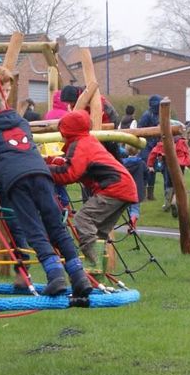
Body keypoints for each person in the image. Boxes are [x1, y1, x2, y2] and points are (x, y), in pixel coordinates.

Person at [0, 93, 89, 297]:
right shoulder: (21, 123)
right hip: (42, 175)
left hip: (17, 181)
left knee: (33, 229)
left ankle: (55, 275)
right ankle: (78, 275)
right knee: (56, 226)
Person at [48, 111, 138, 265]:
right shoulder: (87, 141)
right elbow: (71, 163)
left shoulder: (80, 145)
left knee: (82, 219)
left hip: (113, 188)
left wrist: (45, 169)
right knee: (98, 231)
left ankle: (93, 262)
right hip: (124, 187)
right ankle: (97, 272)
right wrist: (51, 162)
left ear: (68, 132)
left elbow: (69, 173)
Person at [146, 123, 190, 217]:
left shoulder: (163, 141)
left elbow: (153, 152)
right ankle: (174, 201)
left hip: (168, 164)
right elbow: (186, 154)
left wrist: (150, 165)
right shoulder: (181, 141)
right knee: (179, 186)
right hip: (179, 165)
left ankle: (167, 203)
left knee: (169, 184)